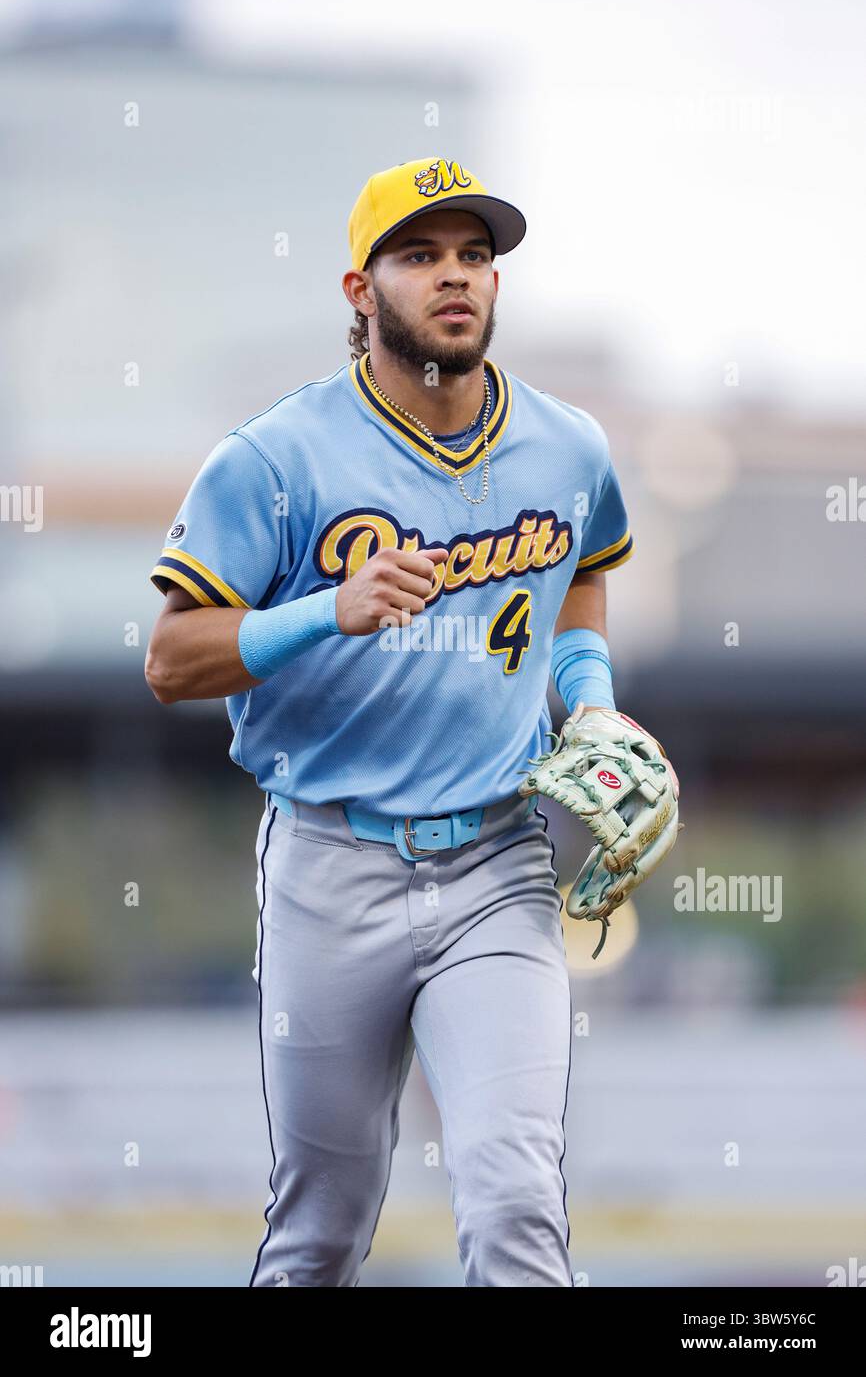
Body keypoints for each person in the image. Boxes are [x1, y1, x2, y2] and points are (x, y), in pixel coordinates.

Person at [144, 157, 638, 1288]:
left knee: (517, 1201)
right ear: (359, 290)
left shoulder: (567, 446)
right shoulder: (273, 457)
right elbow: (169, 659)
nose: (453, 277)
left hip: (497, 859)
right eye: (418, 256)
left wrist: (594, 706)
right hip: (327, 862)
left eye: (474, 255)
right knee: (319, 1229)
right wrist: (325, 610)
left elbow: (587, 573)